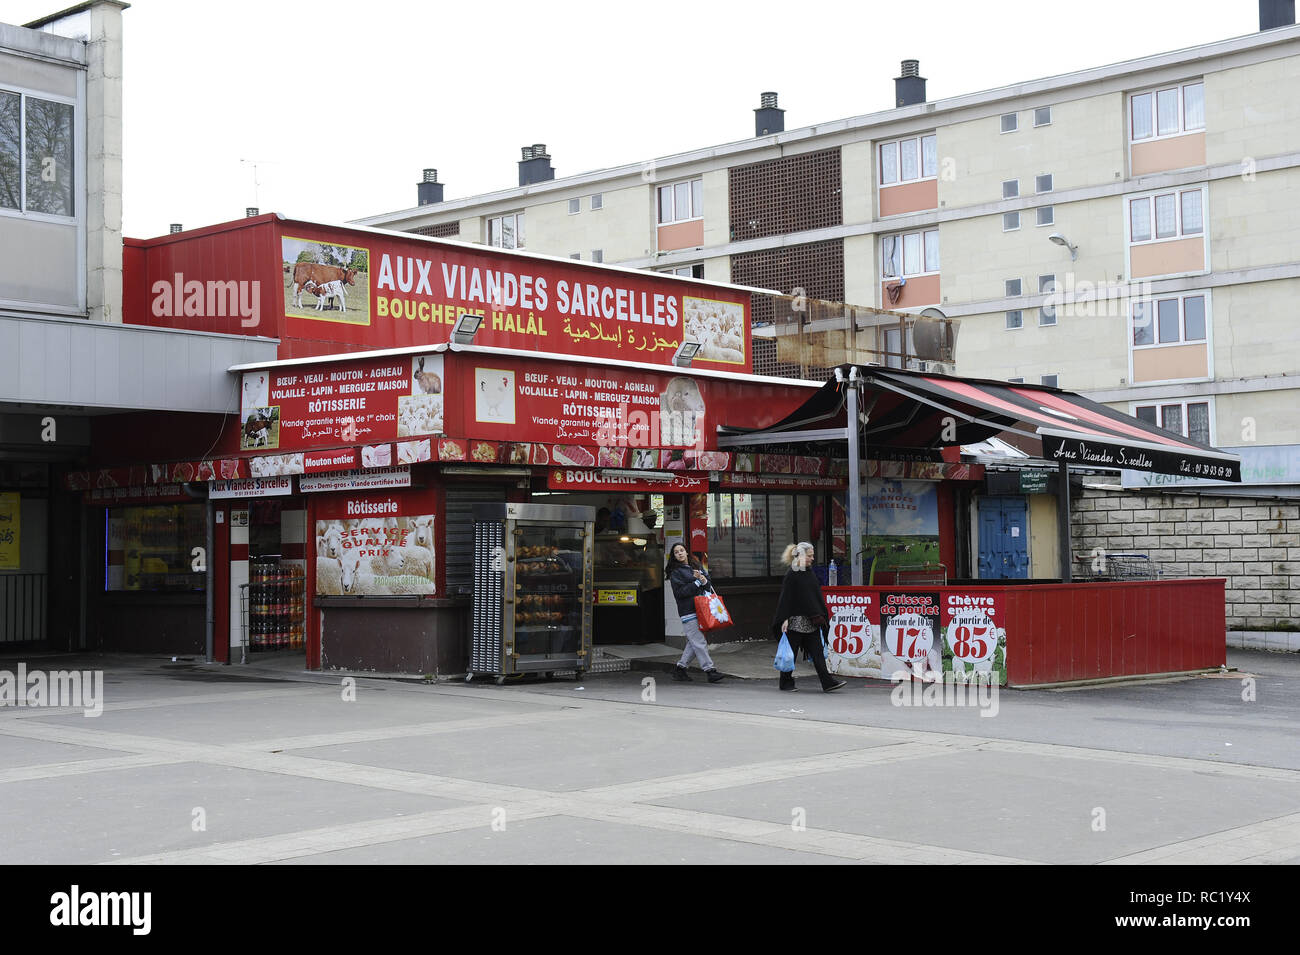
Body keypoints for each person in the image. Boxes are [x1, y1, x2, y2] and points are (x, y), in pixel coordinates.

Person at [770, 541, 846, 692]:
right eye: (809, 556)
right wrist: (784, 619)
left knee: (818, 653)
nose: (812, 558)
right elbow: (786, 598)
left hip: (811, 621)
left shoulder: (809, 572)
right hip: (795, 622)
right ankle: (785, 682)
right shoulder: (793, 574)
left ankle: (827, 682)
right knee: (791, 653)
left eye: (812, 555)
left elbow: (813, 596)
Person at [666, 543, 724, 684]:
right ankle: (710, 670)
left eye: (681, 550)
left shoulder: (696, 566)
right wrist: (697, 582)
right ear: (674, 556)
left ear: (686, 552)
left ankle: (680, 669)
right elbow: (680, 593)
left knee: (694, 643)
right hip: (688, 611)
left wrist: (703, 580)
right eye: (676, 552)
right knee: (699, 642)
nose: (680, 553)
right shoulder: (676, 573)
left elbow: (708, 585)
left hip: (702, 609)